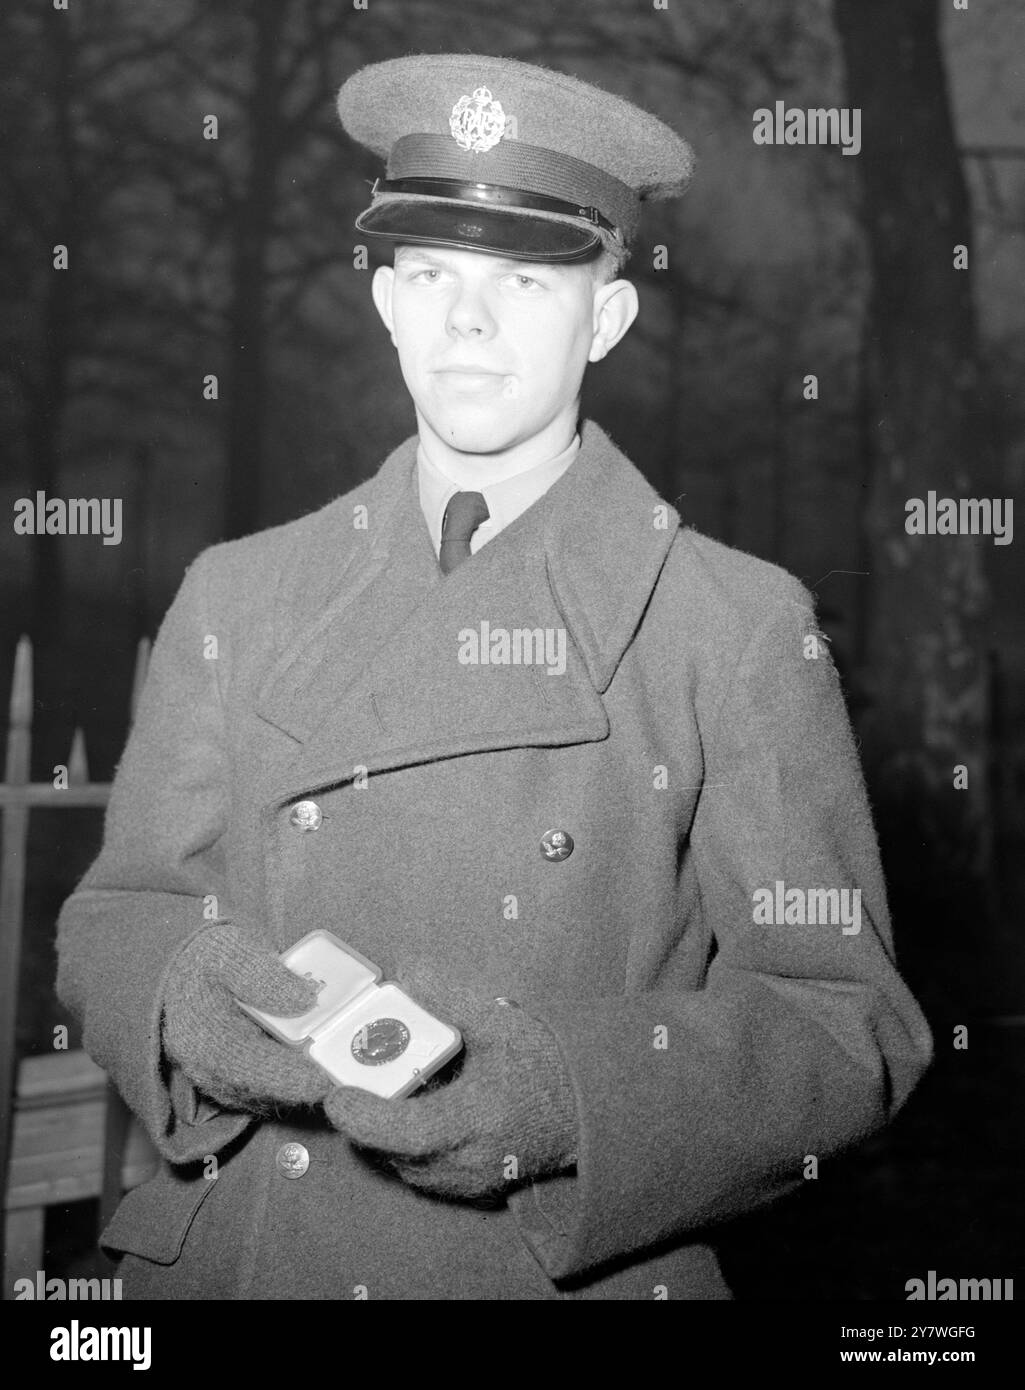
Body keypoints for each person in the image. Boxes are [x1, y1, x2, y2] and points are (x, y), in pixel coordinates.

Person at [56, 53, 932, 1301]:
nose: (465, 324)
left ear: (607, 321)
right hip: (243, 1262)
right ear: (389, 306)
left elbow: (844, 1023)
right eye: (431, 278)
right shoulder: (238, 592)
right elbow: (117, 913)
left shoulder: (729, 626)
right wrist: (183, 1000)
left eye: (522, 282)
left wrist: (565, 1097)